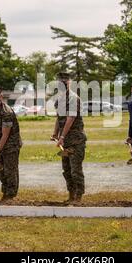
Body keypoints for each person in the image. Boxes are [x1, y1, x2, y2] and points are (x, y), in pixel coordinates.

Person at [51, 72, 87, 203]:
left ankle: (78, 196)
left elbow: (70, 119)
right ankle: (71, 195)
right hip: (65, 141)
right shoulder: (59, 99)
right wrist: (55, 133)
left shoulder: (73, 99)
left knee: (75, 170)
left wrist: (62, 136)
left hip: (76, 141)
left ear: (69, 83)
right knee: (66, 170)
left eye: (65, 83)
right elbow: (59, 118)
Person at [0, 86, 22, 201]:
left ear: (1, 97)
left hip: (11, 145)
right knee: (1, 169)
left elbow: (6, 134)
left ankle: (11, 195)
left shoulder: (6, 112)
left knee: (10, 170)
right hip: (0, 142)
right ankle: (5, 193)